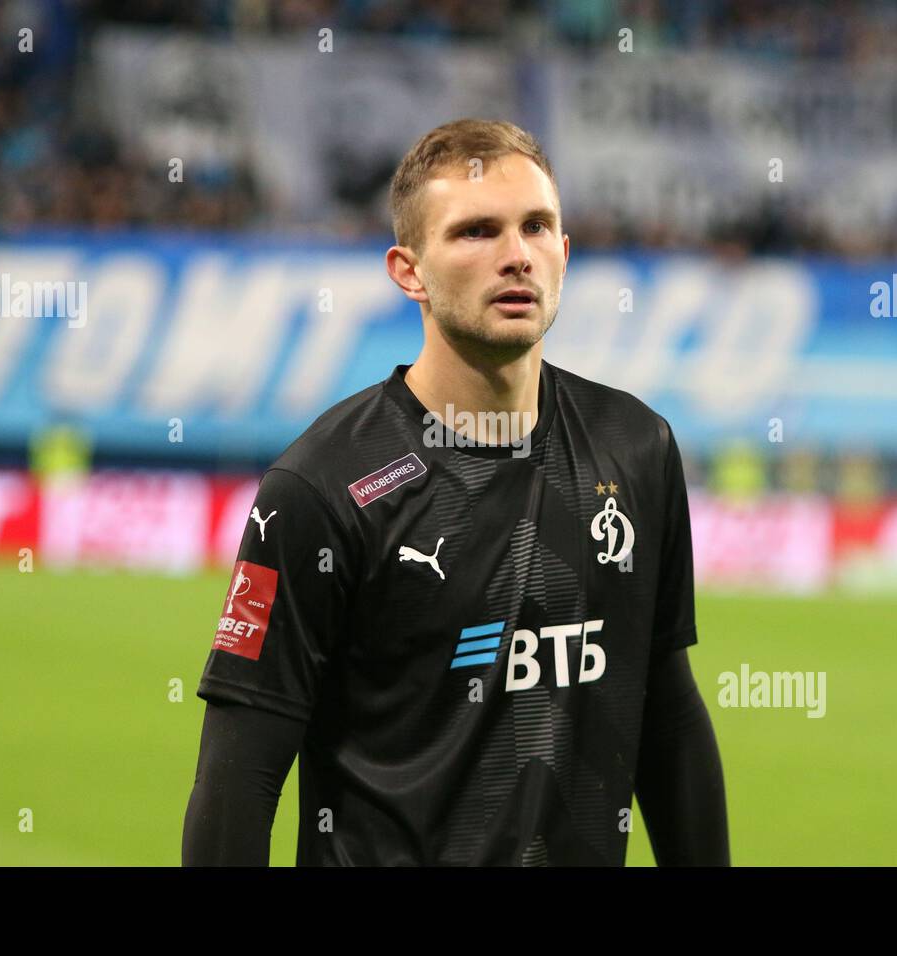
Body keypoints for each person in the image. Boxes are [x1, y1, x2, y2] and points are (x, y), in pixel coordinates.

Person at [182, 118, 729, 866]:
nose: (516, 256)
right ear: (409, 270)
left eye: (537, 227)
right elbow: (237, 782)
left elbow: (668, 716)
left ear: (564, 253)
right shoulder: (320, 488)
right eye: (476, 232)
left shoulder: (637, 448)